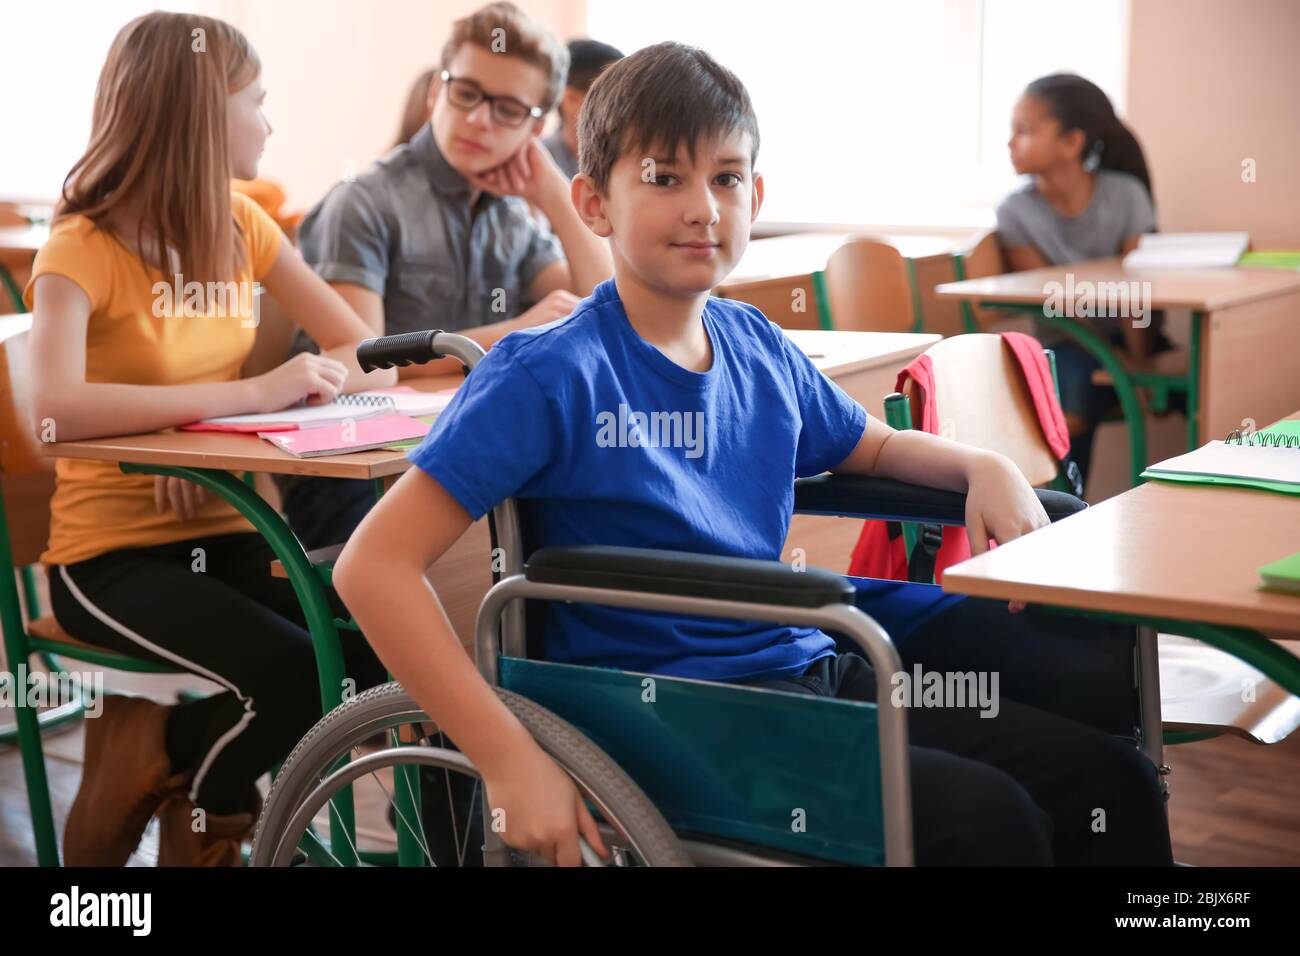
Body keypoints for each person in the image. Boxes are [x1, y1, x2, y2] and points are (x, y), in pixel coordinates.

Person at [334, 43, 1173, 867]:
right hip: (678, 718)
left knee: (1112, 780)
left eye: (727, 177)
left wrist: (976, 467)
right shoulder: (547, 374)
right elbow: (370, 568)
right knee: (992, 823)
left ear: (755, 194)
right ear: (593, 204)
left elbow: (870, 446)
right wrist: (507, 756)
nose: (703, 206)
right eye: (664, 178)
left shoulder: (753, 344)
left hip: (806, 665)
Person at [26, 11, 392, 866]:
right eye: (255, 100)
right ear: (199, 113)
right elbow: (53, 408)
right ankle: (216, 812)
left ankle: (163, 754)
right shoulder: (79, 246)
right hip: (109, 554)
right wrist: (225, 406)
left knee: (371, 652)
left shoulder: (241, 226)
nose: (270, 121)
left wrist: (209, 426)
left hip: (232, 528)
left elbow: (362, 355)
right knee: (295, 675)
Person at [276, 1, 613, 552]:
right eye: (467, 93)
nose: (479, 119)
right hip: (359, 468)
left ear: (536, 128)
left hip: (467, 447)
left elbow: (606, 304)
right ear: (437, 90)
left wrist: (554, 194)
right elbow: (364, 360)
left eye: (507, 109)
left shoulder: (510, 213)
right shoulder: (363, 202)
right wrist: (503, 340)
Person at [997, 73, 1175, 483]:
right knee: (1073, 381)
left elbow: (1138, 291)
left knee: (1191, 383)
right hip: (1066, 338)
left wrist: (1138, 355)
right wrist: (1118, 361)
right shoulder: (1014, 213)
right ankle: (1066, 505)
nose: (1011, 143)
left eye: (1024, 131)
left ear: (1071, 142)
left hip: (1131, 334)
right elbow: (1050, 301)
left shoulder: (1126, 195)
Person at [540, 38, 624, 178]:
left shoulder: (634, 161)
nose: (627, 107)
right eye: (614, 96)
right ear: (571, 100)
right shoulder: (532, 166)